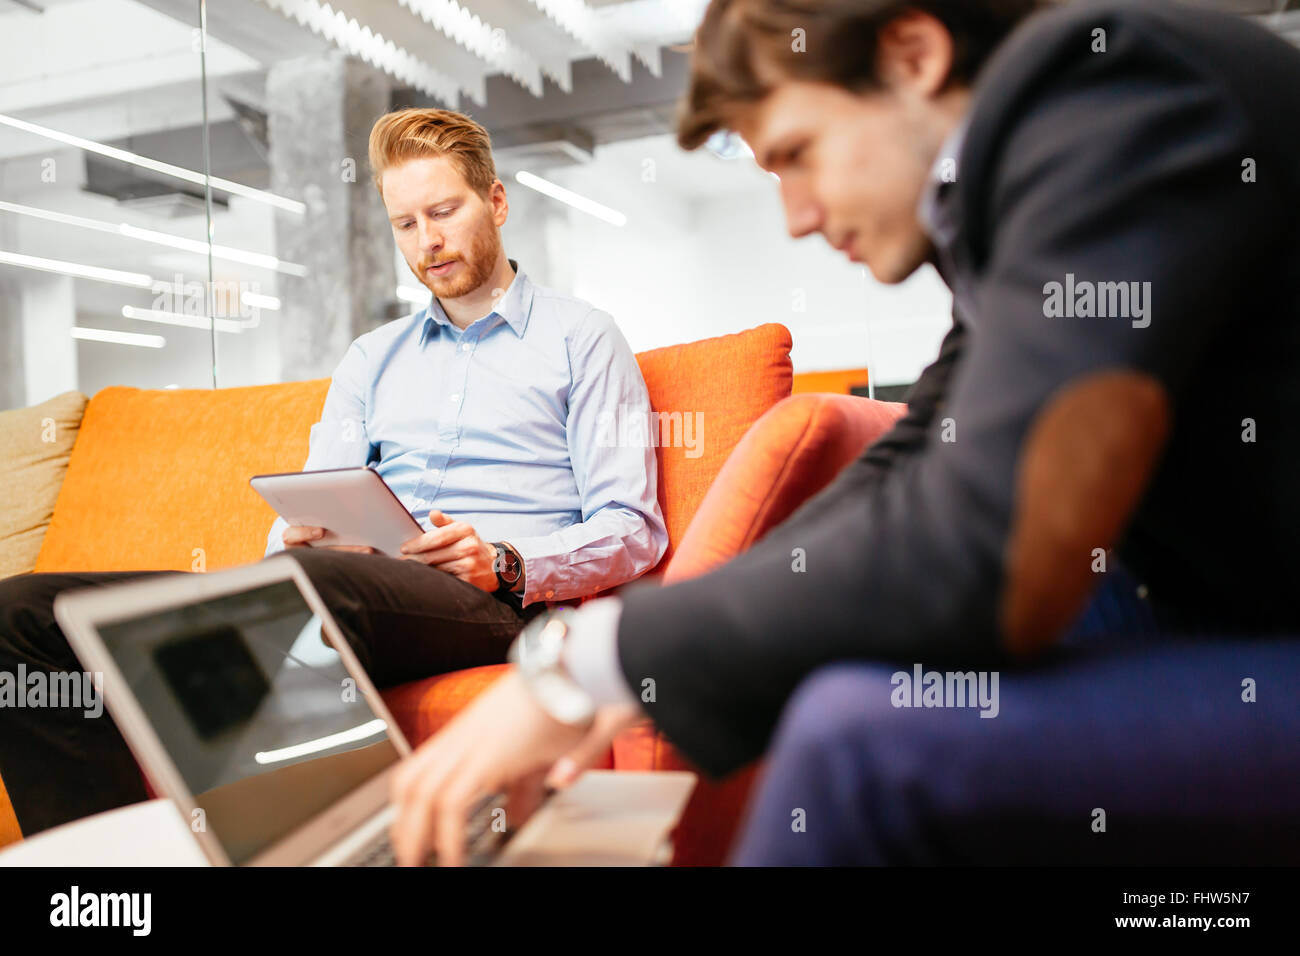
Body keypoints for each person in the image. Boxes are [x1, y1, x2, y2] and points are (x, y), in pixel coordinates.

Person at [388, 0, 1300, 866]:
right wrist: (629, 645)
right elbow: (913, 466)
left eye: (798, 153)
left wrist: (591, 664)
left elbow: (992, 542)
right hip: (1207, 596)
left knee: (856, 739)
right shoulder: (1027, 179)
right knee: (853, 656)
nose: (799, 215)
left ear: (912, 56)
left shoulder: (1119, 96)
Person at [0, 107, 666, 837]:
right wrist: (297, 540)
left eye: (443, 211)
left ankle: (307, 844)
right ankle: (114, 871)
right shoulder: (370, 359)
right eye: (405, 223)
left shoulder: (584, 338)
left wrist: (504, 561)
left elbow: (633, 530)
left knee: (307, 594)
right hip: (352, 584)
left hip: (491, 602)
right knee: (24, 614)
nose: (428, 241)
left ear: (496, 202)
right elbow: (313, 505)